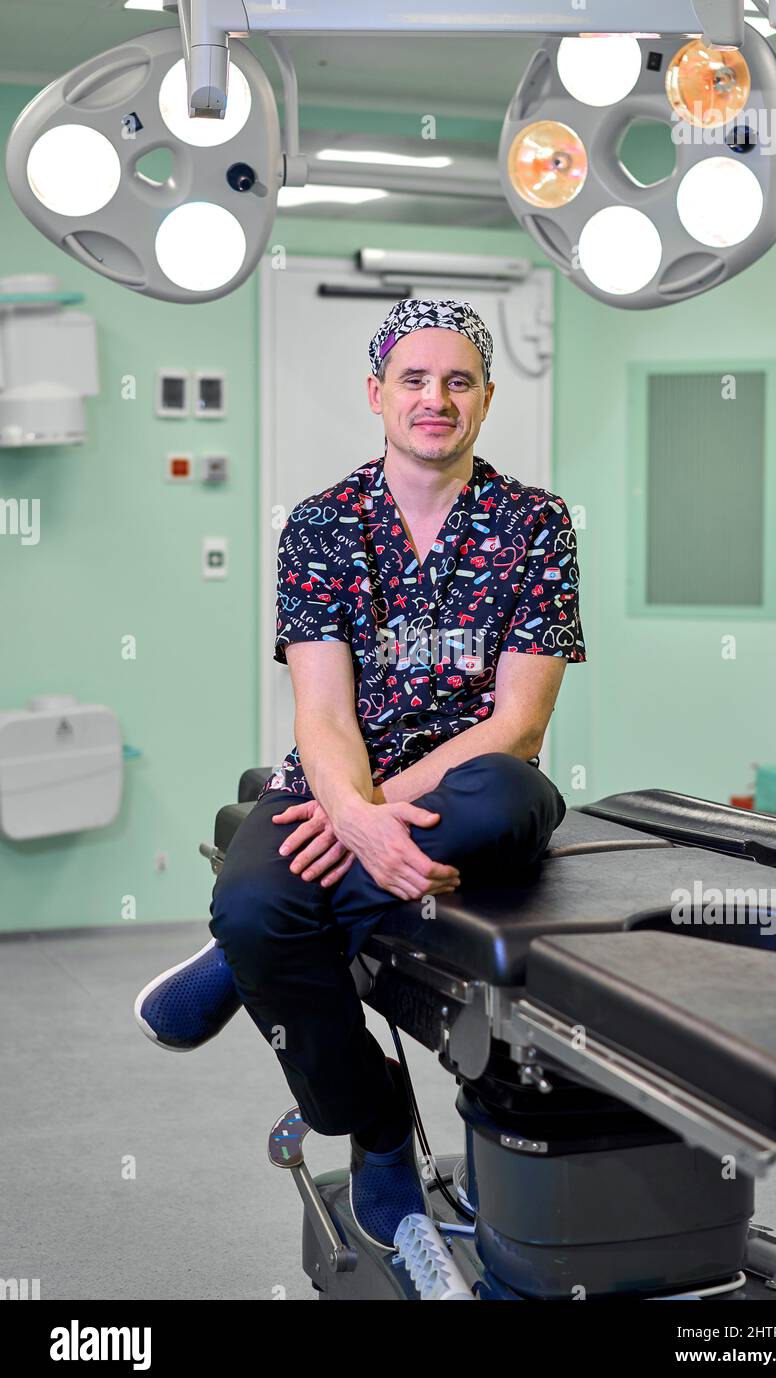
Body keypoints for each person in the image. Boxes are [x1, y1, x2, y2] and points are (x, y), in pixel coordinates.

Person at [212, 298, 587, 1251]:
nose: (436, 398)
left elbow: (519, 722)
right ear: (376, 394)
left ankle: (249, 963)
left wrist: (363, 821)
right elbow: (324, 712)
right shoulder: (323, 525)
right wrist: (347, 807)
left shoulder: (536, 524)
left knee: (504, 795)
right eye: (413, 380)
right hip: (334, 779)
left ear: (487, 399)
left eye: (458, 381)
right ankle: (378, 1126)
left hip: (470, 783)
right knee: (255, 908)